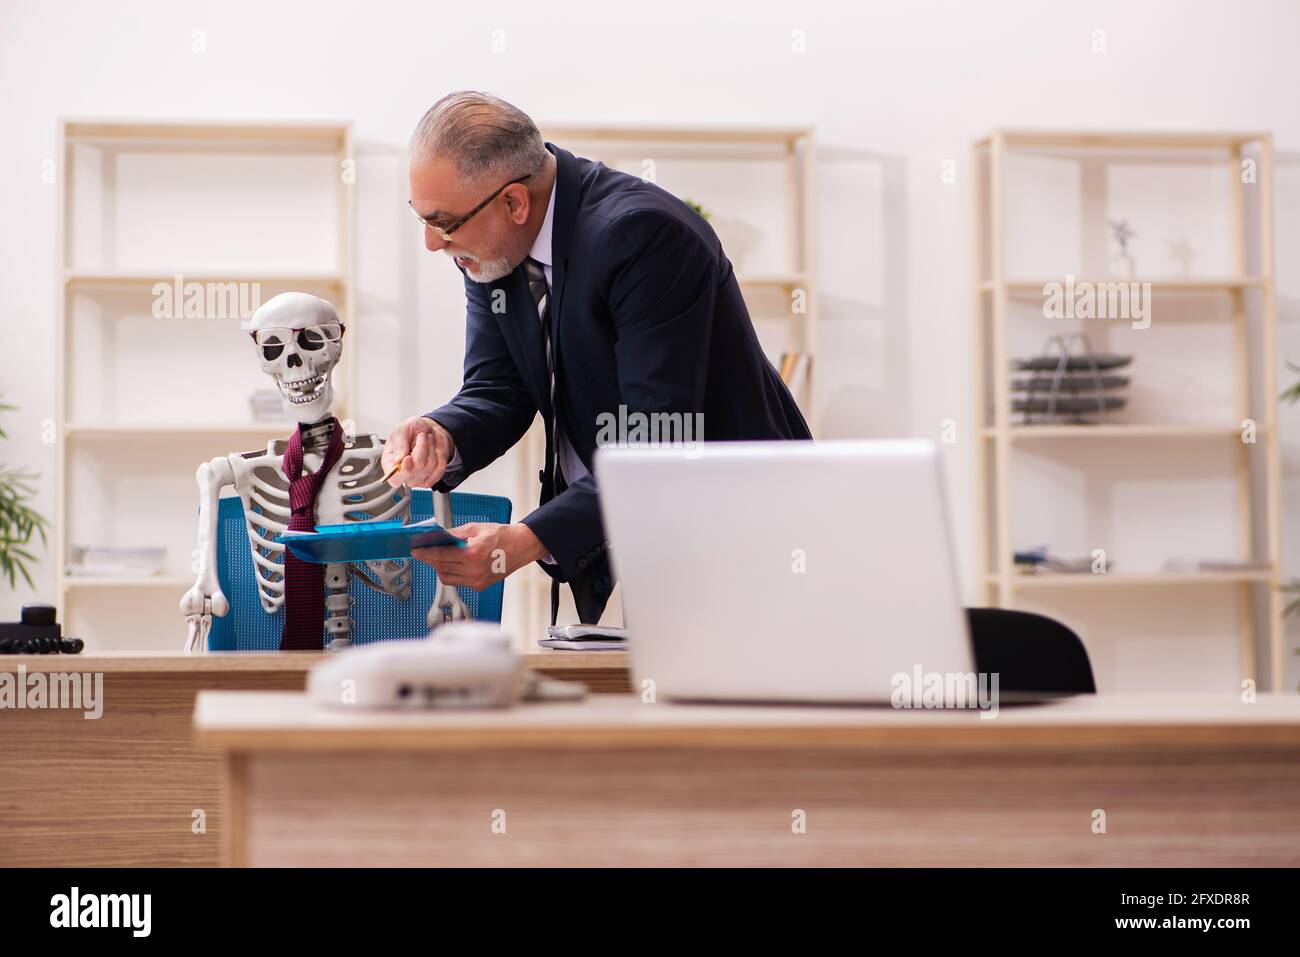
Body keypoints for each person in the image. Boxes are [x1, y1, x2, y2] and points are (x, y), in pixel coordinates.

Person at [384, 91, 810, 625]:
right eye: (422, 219)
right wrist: (442, 434)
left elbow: (656, 437)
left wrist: (527, 539)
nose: (431, 243)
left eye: (443, 223)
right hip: (641, 523)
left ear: (514, 203)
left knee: (742, 700)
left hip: (742, 522)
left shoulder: (644, 236)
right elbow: (499, 387)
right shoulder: (491, 247)